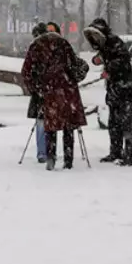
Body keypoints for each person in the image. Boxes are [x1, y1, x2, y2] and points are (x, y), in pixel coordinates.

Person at [21, 22, 88, 170]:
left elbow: (26, 72)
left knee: (50, 126)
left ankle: (51, 159)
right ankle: (68, 160)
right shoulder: (63, 43)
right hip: (67, 91)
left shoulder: (36, 46)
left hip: (48, 91)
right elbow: (76, 65)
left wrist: (36, 89)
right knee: (68, 126)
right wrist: (72, 79)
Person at [84, 18, 132, 166]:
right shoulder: (106, 45)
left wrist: (109, 70)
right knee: (114, 123)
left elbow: (122, 62)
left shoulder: (114, 43)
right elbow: (107, 58)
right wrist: (99, 60)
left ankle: (131, 156)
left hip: (123, 89)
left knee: (126, 123)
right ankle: (115, 152)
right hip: (114, 89)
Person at [25, 23, 49, 162]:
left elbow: (26, 71)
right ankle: (48, 151)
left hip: (40, 91)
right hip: (50, 90)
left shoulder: (34, 49)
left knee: (41, 122)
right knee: (48, 122)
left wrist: (33, 87)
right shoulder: (53, 48)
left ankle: (42, 152)